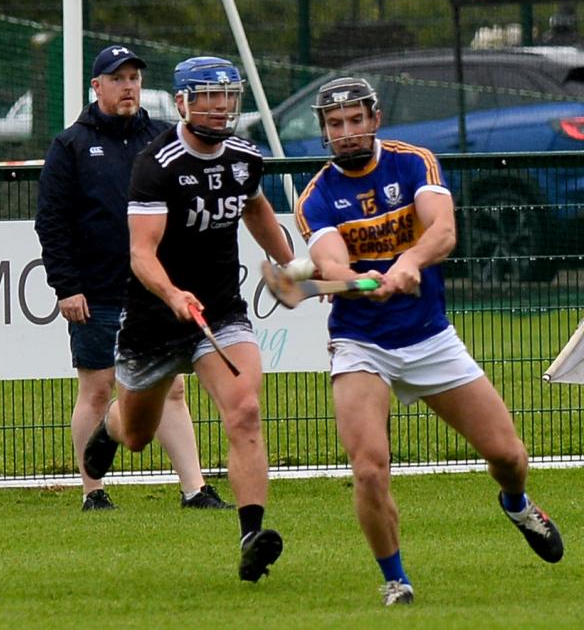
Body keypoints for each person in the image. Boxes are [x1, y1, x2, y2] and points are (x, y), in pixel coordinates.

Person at [293, 77, 564, 605]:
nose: (346, 133)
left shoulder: (414, 162)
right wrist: (356, 282)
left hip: (429, 337)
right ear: (325, 132)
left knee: (508, 456)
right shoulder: (317, 196)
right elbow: (329, 263)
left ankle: (516, 503)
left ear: (373, 120)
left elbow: (442, 230)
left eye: (355, 121)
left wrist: (409, 261)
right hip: (361, 343)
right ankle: (396, 579)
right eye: (334, 124)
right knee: (369, 467)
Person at [83, 56, 296, 582]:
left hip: (221, 310)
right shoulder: (159, 164)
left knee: (244, 409)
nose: (220, 107)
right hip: (155, 319)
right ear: (182, 101)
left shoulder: (246, 157)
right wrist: (173, 294)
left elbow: (255, 210)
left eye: (227, 95)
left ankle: (251, 535)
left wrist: (291, 264)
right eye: (207, 96)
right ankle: (110, 423)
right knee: (136, 434)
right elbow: (141, 253)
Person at [35, 45, 232, 512]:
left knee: (171, 386)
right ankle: (92, 490)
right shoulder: (70, 145)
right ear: (96, 86)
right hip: (97, 291)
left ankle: (194, 489)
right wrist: (67, 286)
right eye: (118, 78)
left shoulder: (163, 139)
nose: (128, 87)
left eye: (134, 78)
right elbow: (52, 223)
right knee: (99, 387)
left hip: (153, 290)